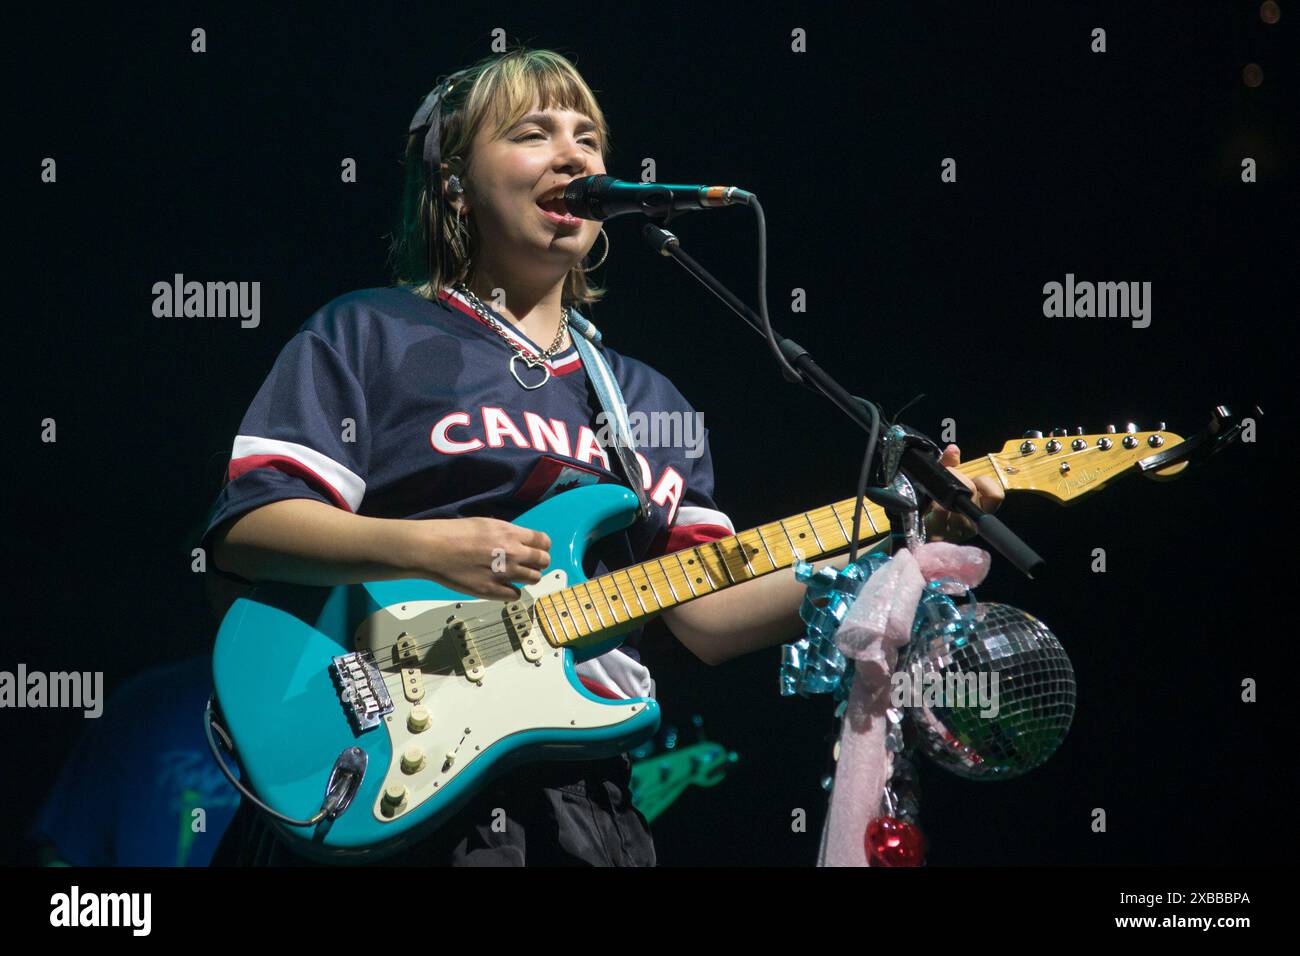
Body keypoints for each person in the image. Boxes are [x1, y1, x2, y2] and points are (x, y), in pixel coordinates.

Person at [201, 47, 1003, 867]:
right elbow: (253, 526)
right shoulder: (373, 333)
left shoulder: (647, 400)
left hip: (583, 811)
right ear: (453, 183)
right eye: (532, 132)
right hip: (384, 763)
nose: (574, 155)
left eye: (588, 137)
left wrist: (891, 529)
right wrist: (432, 548)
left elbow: (709, 615)